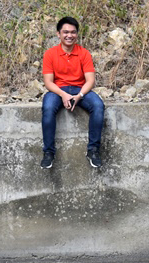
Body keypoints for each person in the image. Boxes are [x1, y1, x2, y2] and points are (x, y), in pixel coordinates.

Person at [40, 16, 105, 169]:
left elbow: (90, 80)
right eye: (66, 32)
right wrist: (63, 95)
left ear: (77, 34)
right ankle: (48, 152)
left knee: (98, 106)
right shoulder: (50, 54)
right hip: (57, 90)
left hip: (80, 89)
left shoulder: (84, 53)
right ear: (58, 34)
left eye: (73, 32)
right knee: (48, 107)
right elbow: (48, 82)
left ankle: (93, 150)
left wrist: (79, 96)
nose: (69, 35)